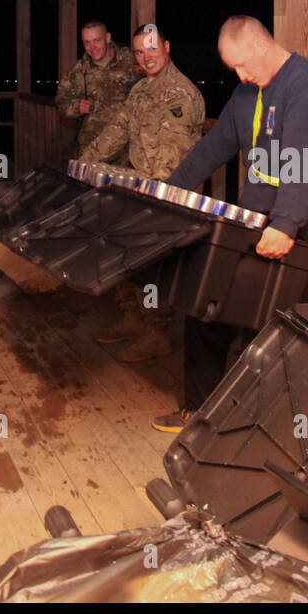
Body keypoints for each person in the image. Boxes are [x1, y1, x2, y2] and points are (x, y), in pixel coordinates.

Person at [150, 15, 308, 432]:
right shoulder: (245, 94)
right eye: (232, 69)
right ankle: (199, 413)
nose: (239, 75)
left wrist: (286, 225)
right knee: (206, 309)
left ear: (260, 44)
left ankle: (267, 431)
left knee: (272, 330)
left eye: (241, 64)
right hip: (252, 220)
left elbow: (304, 162)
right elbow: (211, 149)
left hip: (296, 226)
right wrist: (168, 191)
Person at [80, 24, 206, 363]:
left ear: (166, 46)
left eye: (151, 48)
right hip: (138, 191)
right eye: (138, 51)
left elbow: (173, 155)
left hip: (164, 196)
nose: (146, 57)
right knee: (124, 257)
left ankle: (156, 333)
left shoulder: (180, 94)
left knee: (154, 268)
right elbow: (116, 133)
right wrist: (83, 162)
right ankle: (132, 320)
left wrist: (151, 198)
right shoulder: (139, 92)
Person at [55, 20, 141, 160]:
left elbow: (151, 85)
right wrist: (77, 107)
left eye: (96, 40)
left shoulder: (131, 61)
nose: (92, 47)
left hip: (127, 150)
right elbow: (61, 103)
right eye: (87, 42)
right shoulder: (78, 72)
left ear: (107, 38)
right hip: (92, 149)